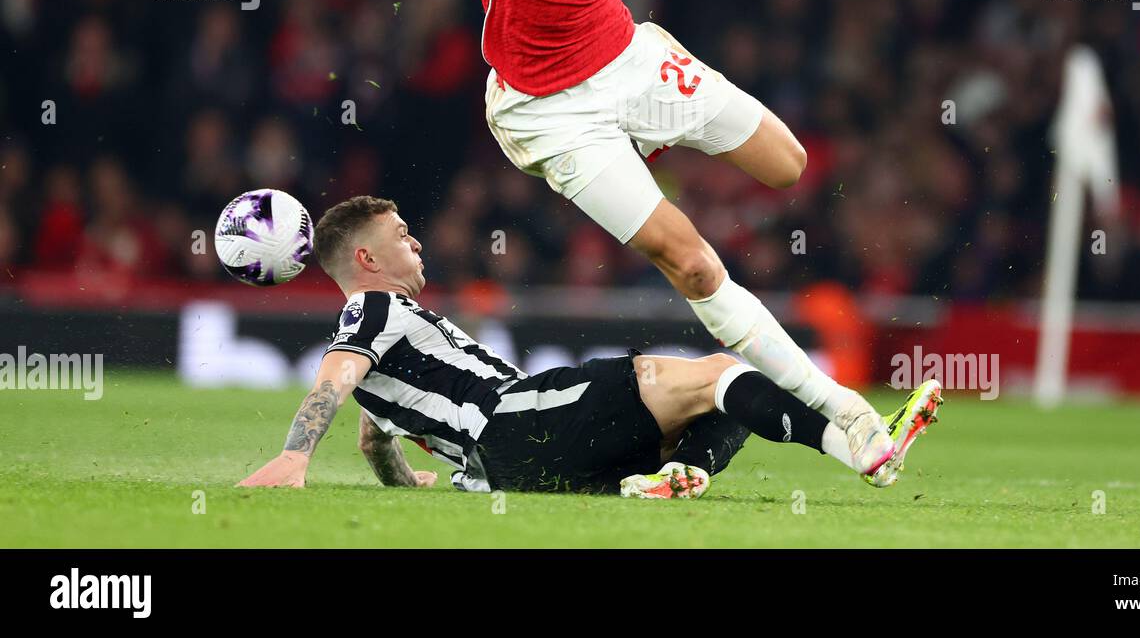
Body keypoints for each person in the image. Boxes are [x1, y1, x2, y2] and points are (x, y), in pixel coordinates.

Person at [357, 0, 923, 484]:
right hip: (548, 108)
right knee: (691, 262)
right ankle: (846, 413)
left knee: (787, 164)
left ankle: (644, 140)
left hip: (628, 58)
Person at [237, 196, 942, 497]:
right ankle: (863, 451)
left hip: (516, 467)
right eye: (399, 236)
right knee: (723, 370)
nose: (415, 241)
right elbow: (333, 377)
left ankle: (677, 477)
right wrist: (294, 458)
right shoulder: (373, 307)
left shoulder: (393, 344)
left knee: (718, 405)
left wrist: (411, 483)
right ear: (365, 260)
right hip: (518, 419)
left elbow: (373, 441)